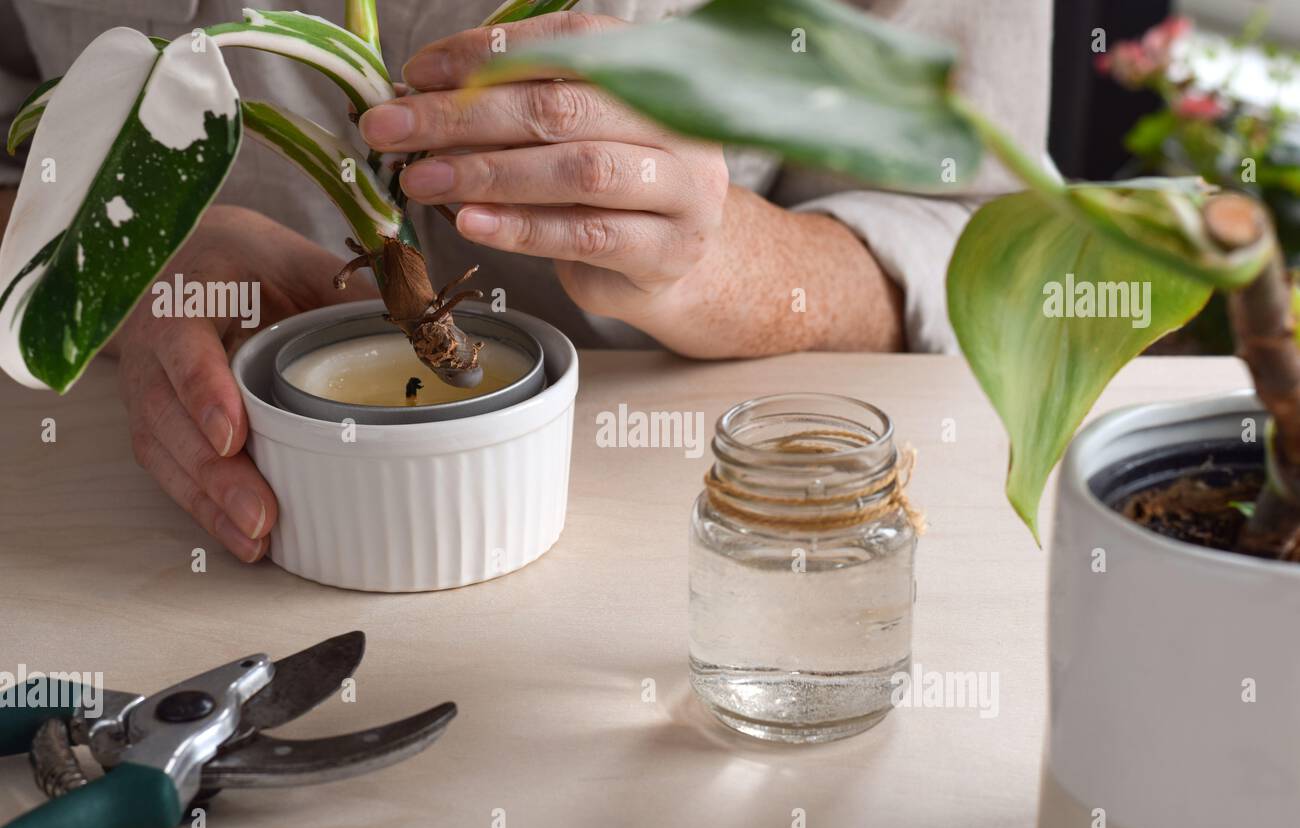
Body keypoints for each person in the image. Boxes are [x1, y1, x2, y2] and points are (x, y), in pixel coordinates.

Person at [0, 0, 1050, 561]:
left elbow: (980, 243)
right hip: (129, 544)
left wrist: (729, 258)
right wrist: (130, 248)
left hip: (630, 537)